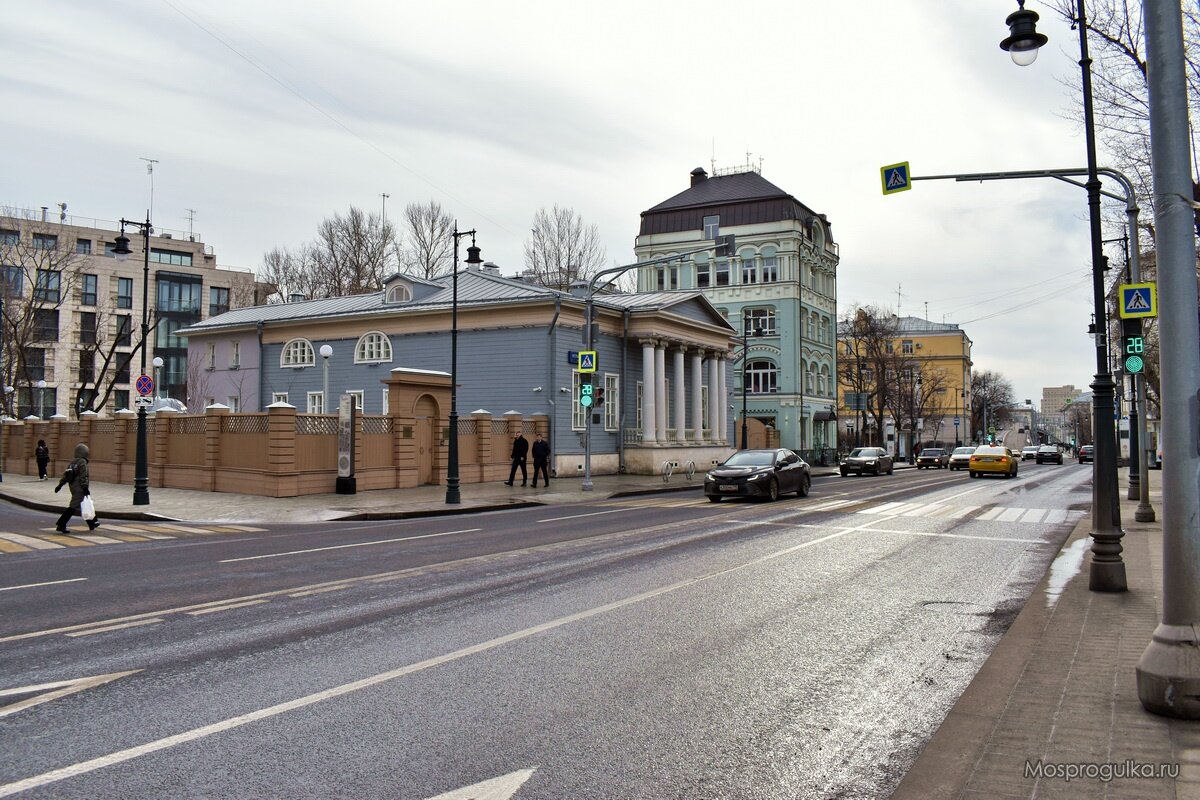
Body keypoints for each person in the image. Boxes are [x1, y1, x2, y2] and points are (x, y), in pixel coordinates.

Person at [54, 443, 99, 533]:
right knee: (73, 507)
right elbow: (84, 475)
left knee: (84, 505)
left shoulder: (72, 462)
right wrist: (85, 487)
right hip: (80, 487)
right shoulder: (82, 462)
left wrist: (60, 485)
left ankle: (92, 523)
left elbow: (66, 475)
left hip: (73, 487)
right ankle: (61, 524)